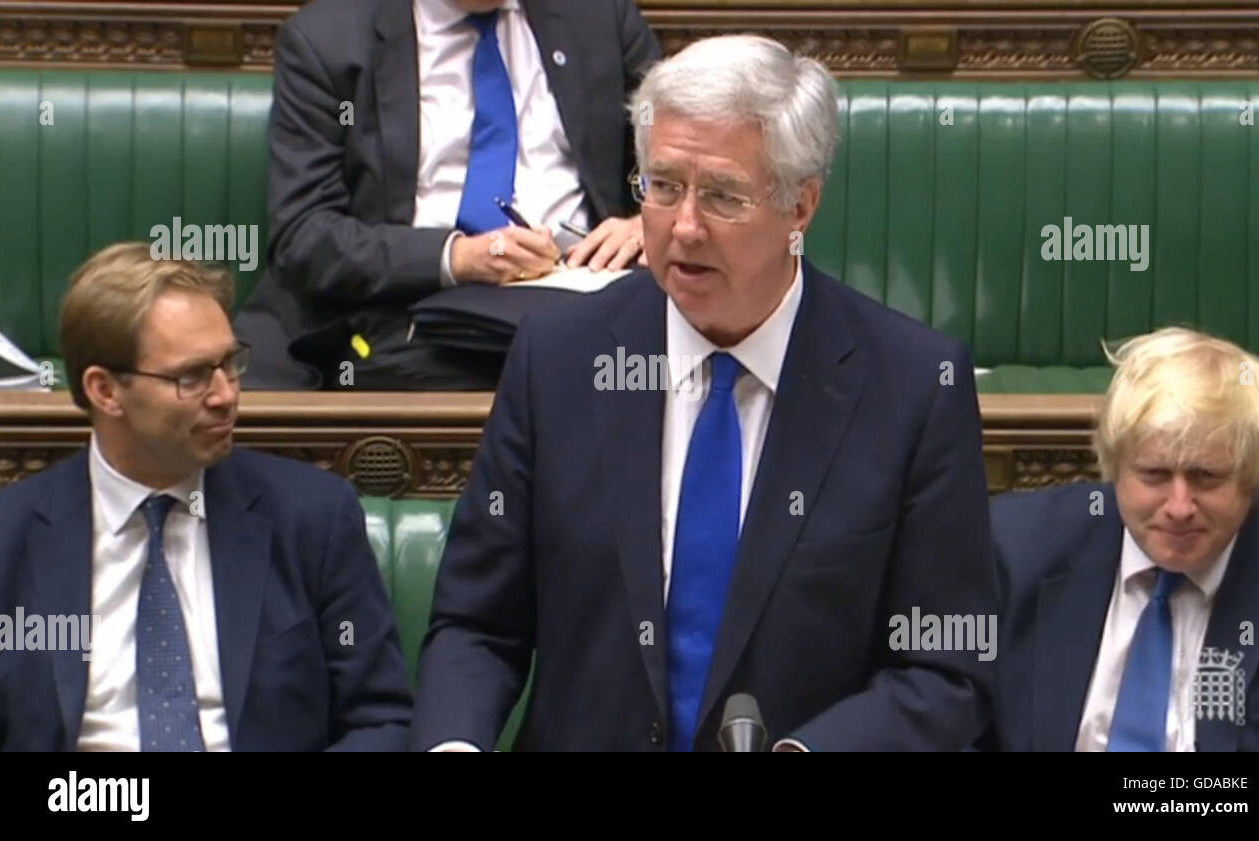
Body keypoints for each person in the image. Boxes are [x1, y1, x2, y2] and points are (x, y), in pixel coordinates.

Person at [409, 35, 997, 751]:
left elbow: (947, 670)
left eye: (722, 195)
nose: (683, 227)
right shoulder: (557, 360)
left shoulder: (913, 388)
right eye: (663, 187)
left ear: (800, 207)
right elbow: (477, 623)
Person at [0, 243, 411, 751]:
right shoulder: (10, 537)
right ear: (105, 391)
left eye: (229, 363)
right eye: (191, 376)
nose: (226, 395)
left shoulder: (311, 518)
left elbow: (380, 719)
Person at [234, 0, 661, 390]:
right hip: (409, 310)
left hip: (588, 298)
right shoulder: (329, 39)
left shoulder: (599, 17)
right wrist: (456, 258)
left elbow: (681, 153)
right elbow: (305, 235)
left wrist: (650, 219)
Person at [986, 327, 1259, 751]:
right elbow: (951, 726)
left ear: (1251, 477)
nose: (1179, 506)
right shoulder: (1016, 547)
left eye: (1206, 477)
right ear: (1115, 468)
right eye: (1154, 474)